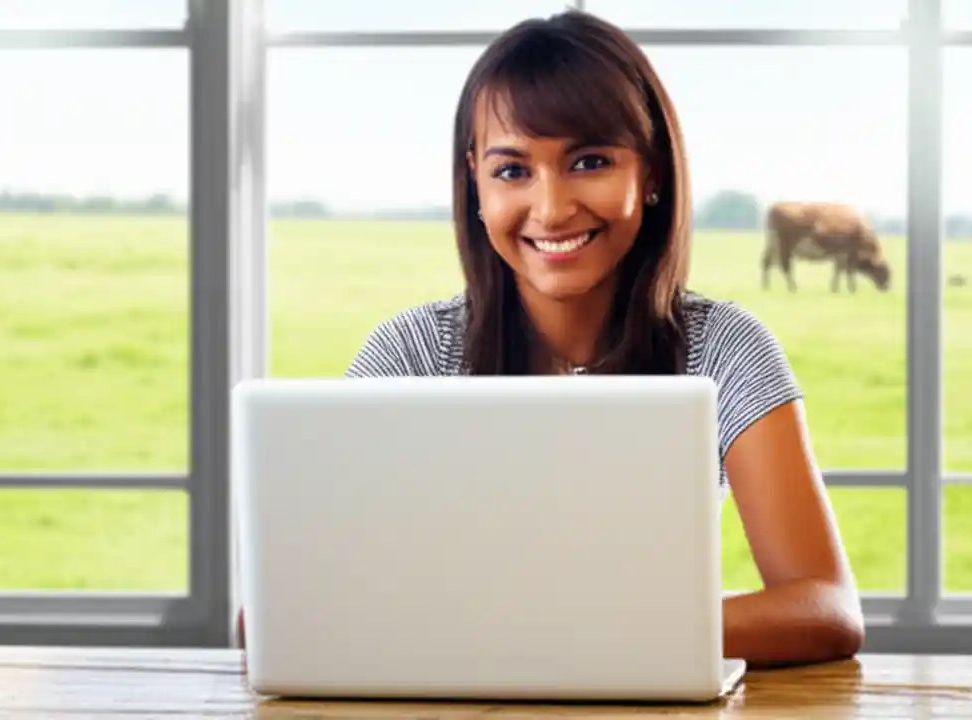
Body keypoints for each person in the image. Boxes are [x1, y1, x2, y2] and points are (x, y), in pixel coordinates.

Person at [239, 9, 863, 668]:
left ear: (649, 174)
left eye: (589, 161)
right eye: (512, 171)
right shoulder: (411, 355)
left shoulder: (723, 347)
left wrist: (555, 636)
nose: (552, 208)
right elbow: (274, 617)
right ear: (474, 181)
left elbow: (825, 608)